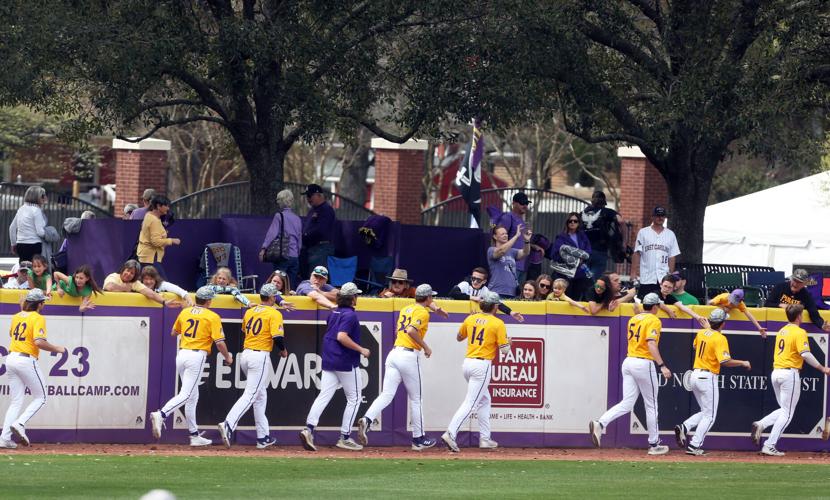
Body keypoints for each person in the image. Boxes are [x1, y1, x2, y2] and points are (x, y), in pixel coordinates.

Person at [357, 284, 440, 450]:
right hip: (409, 355)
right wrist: (425, 346)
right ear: (428, 298)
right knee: (416, 399)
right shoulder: (422, 312)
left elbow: (400, 331)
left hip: (394, 353)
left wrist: (436, 308)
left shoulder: (406, 308)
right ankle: (418, 439)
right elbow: (411, 331)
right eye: (431, 297)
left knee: (387, 394)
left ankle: (367, 419)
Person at [150, 286, 233, 447]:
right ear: (209, 301)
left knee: (192, 397)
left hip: (182, 354)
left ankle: (194, 435)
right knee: (187, 394)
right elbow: (220, 343)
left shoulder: (185, 311)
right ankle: (161, 414)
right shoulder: (212, 316)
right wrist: (228, 357)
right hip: (196, 356)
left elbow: (174, 332)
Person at [589, 293, 671, 455]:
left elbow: (641, 321)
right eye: (658, 306)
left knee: (627, 403)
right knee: (651, 405)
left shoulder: (634, 318)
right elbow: (651, 343)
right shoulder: (654, 320)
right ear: (655, 307)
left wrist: (637, 309)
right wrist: (662, 365)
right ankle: (654, 444)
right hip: (643, 362)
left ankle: (600, 423)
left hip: (628, 362)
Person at [751, 304, 830, 456]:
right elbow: (805, 354)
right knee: (787, 413)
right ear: (799, 316)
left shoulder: (782, 330)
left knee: (783, 410)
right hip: (789, 374)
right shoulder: (799, 332)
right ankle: (769, 444)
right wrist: (822, 368)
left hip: (776, 373)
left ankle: (761, 424)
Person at [299, 283, 370, 452]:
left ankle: (308, 429)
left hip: (329, 360)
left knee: (323, 396)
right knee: (354, 398)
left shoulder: (334, 312)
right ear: (353, 298)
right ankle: (345, 437)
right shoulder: (350, 315)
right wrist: (361, 349)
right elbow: (341, 336)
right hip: (345, 361)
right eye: (356, 296)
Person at [218, 283, 287, 449]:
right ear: (271, 297)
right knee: (251, 394)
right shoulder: (274, 313)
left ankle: (263, 437)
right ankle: (228, 423)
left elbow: (245, 331)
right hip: (259, 356)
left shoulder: (250, 311)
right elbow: (277, 337)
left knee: (260, 395)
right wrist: (284, 350)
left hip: (246, 355)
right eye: (275, 296)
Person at [674, 308, 752, 456]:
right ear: (722, 324)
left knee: (705, 412)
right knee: (710, 416)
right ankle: (694, 446)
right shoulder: (720, 338)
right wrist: (743, 362)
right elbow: (725, 361)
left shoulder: (702, 332)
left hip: (695, 375)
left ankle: (684, 427)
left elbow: (695, 346)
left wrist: (709, 331)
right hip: (707, 377)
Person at [441, 291, 511, 452]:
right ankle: (451, 432)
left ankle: (485, 439)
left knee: (484, 400)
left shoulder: (471, 318)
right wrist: (509, 342)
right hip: (482, 365)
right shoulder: (497, 323)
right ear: (495, 306)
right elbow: (505, 350)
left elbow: (459, 337)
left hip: (467, 364)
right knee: (471, 402)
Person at [0, 289, 66, 449]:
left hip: (11, 358)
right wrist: (57, 349)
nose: (44, 304)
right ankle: (20, 423)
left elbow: (12, 333)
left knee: (16, 401)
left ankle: (4, 439)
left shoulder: (17, 316)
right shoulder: (38, 317)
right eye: (42, 302)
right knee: (41, 397)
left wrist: (22, 309)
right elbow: (39, 342)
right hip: (26, 359)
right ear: (40, 304)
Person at [630, 206, 680, 298]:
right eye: (657, 215)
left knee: (662, 302)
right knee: (645, 301)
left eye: (662, 216)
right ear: (652, 217)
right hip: (647, 275)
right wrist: (633, 273)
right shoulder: (643, 232)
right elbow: (637, 253)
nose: (660, 218)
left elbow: (672, 256)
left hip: (663, 277)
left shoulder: (670, 234)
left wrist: (670, 275)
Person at [259, 189, 303, 287]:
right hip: (295, 257)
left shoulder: (279, 216)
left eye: (278, 200)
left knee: (277, 284)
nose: (278, 202)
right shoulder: (297, 219)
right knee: (290, 286)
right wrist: (297, 254)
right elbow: (299, 241)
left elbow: (271, 234)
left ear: (282, 201)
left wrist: (263, 248)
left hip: (283, 256)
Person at [448, 267, 525, 322]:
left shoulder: (485, 291)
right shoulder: (465, 284)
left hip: (477, 320)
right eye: (473, 278)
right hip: (458, 318)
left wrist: (511, 312)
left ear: (484, 281)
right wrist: (473, 298)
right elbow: (453, 293)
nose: (474, 281)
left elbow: (498, 303)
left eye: (478, 280)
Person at [764, 269, 830, 332]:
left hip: (795, 327)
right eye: (794, 280)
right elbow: (767, 304)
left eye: (799, 282)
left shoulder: (806, 295)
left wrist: (821, 325)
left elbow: (814, 314)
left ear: (804, 283)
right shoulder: (780, 287)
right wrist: (780, 305)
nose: (795, 284)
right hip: (776, 324)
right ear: (791, 279)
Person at [549, 212, 592, 300]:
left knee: (577, 297)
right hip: (565, 273)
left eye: (575, 221)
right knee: (565, 298)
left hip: (579, 273)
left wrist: (581, 260)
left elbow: (588, 252)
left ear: (578, 223)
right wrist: (573, 260)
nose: (572, 223)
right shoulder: (561, 237)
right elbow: (555, 254)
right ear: (567, 222)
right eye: (570, 221)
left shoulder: (583, 236)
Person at [581, 191, 624, 279]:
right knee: (594, 280)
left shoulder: (583, 212)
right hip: (600, 251)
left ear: (592, 201)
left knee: (583, 279)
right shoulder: (607, 212)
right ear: (604, 202)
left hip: (584, 252)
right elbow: (621, 221)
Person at [636, 274, 708, 327]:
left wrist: (697, 317)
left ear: (673, 289)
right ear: (661, 285)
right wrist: (669, 311)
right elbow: (659, 303)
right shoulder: (655, 293)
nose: (666, 289)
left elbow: (682, 307)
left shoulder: (670, 297)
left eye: (669, 287)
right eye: (665, 286)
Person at [136, 195, 181, 278]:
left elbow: (150, 234)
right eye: (166, 205)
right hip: (150, 257)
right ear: (158, 206)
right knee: (163, 283)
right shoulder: (154, 220)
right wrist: (172, 240)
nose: (168, 208)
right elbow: (155, 242)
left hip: (146, 256)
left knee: (149, 283)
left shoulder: (149, 215)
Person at [493, 192, 531, 284]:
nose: (525, 205)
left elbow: (520, 241)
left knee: (517, 296)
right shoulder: (508, 217)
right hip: (509, 265)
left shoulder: (521, 220)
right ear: (514, 203)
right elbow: (499, 239)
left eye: (526, 203)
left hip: (522, 265)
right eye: (522, 203)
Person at [300, 183, 336, 277]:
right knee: (308, 278)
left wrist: (305, 235)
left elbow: (321, 230)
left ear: (319, 195)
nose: (308, 199)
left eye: (310, 195)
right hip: (311, 248)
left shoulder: (326, 210)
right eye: (307, 196)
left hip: (321, 248)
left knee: (316, 279)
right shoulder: (312, 210)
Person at [487, 224, 531, 298]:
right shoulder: (491, 250)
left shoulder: (512, 252)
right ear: (495, 236)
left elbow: (525, 252)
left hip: (512, 292)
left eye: (506, 233)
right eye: (502, 234)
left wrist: (527, 241)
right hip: (497, 291)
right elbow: (502, 251)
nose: (505, 235)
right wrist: (516, 236)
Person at [103, 260, 170, 306]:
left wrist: (164, 302)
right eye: (128, 270)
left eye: (132, 273)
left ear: (135, 276)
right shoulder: (113, 276)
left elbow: (150, 293)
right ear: (123, 270)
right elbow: (109, 287)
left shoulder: (135, 283)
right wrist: (125, 288)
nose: (128, 274)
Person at [9, 185, 48, 263]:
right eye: (42, 196)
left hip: (20, 245)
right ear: (37, 197)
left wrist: (13, 244)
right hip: (34, 245)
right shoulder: (36, 210)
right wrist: (49, 235)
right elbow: (40, 232)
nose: (45, 197)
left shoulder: (21, 209)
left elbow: (12, 228)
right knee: (35, 271)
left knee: (24, 271)